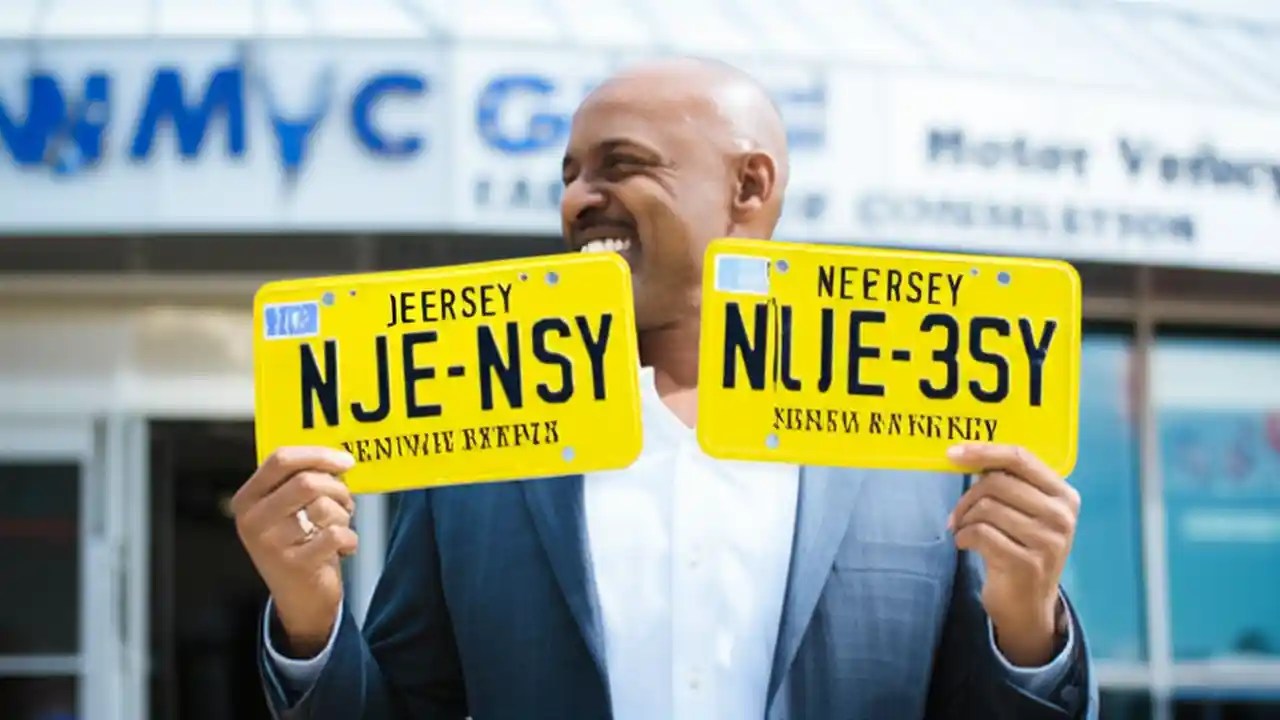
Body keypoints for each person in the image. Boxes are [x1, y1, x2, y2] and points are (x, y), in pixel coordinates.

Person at [233, 57, 1098, 719]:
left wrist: (1028, 630)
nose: (579, 201)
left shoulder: (923, 435)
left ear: (748, 188)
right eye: (569, 174)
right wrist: (310, 620)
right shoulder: (481, 448)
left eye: (620, 166)